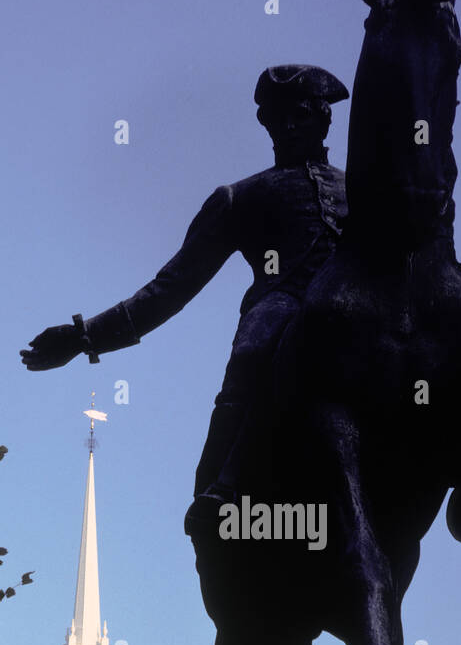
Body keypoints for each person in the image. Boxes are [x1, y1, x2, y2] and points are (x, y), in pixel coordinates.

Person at [20, 65, 349, 525]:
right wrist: (84, 336)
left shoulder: (366, 193)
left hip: (357, 313)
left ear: (323, 118)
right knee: (257, 344)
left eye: (299, 115)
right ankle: (224, 483)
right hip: (283, 303)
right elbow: (169, 289)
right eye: (277, 119)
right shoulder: (240, 198)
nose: (289, 127)